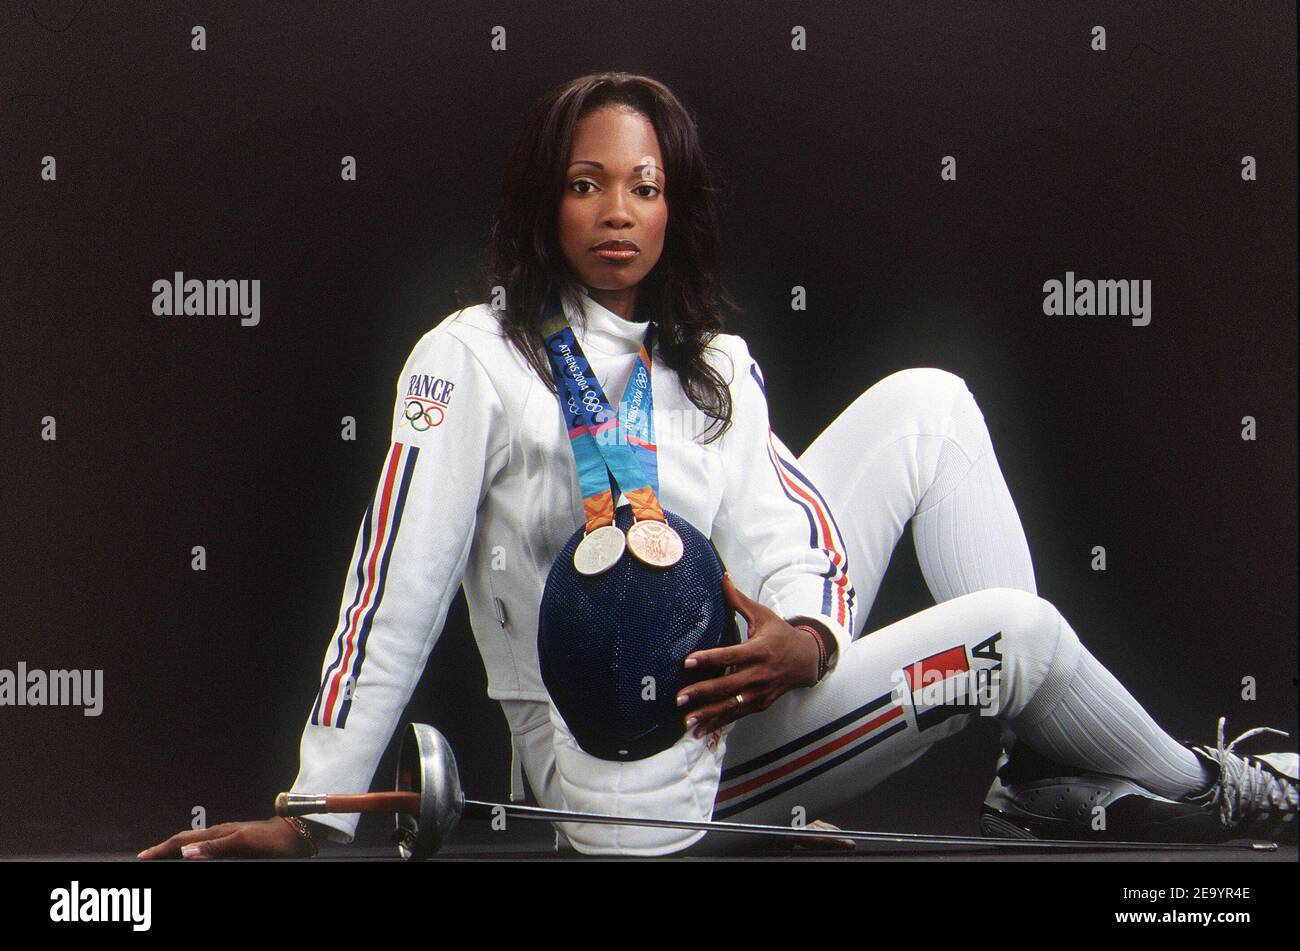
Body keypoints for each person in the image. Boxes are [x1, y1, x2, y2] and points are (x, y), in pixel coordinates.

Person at [139, 72, 1296, 860]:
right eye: (587, 182)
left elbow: (782, 538)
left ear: (673, 207)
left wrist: (806, 634)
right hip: (628, 770)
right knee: (1022, 631)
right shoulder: (471, 359)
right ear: (546, 199)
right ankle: (1210, 795)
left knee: (930, 405)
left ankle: (1042, 764)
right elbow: (391, 588)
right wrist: (317, 812)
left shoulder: (710, 363)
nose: (616, 212)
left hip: (745, 702)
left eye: (644, 187)